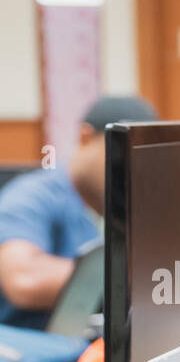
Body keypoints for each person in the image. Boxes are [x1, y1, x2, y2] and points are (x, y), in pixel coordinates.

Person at [0, 96, 157, 330]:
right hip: (37, 351)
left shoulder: (123, 200)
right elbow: (25, 280)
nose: (130, 170)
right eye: (121, 155)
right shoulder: (31, 196)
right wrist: (137, 277)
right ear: (85, 137)